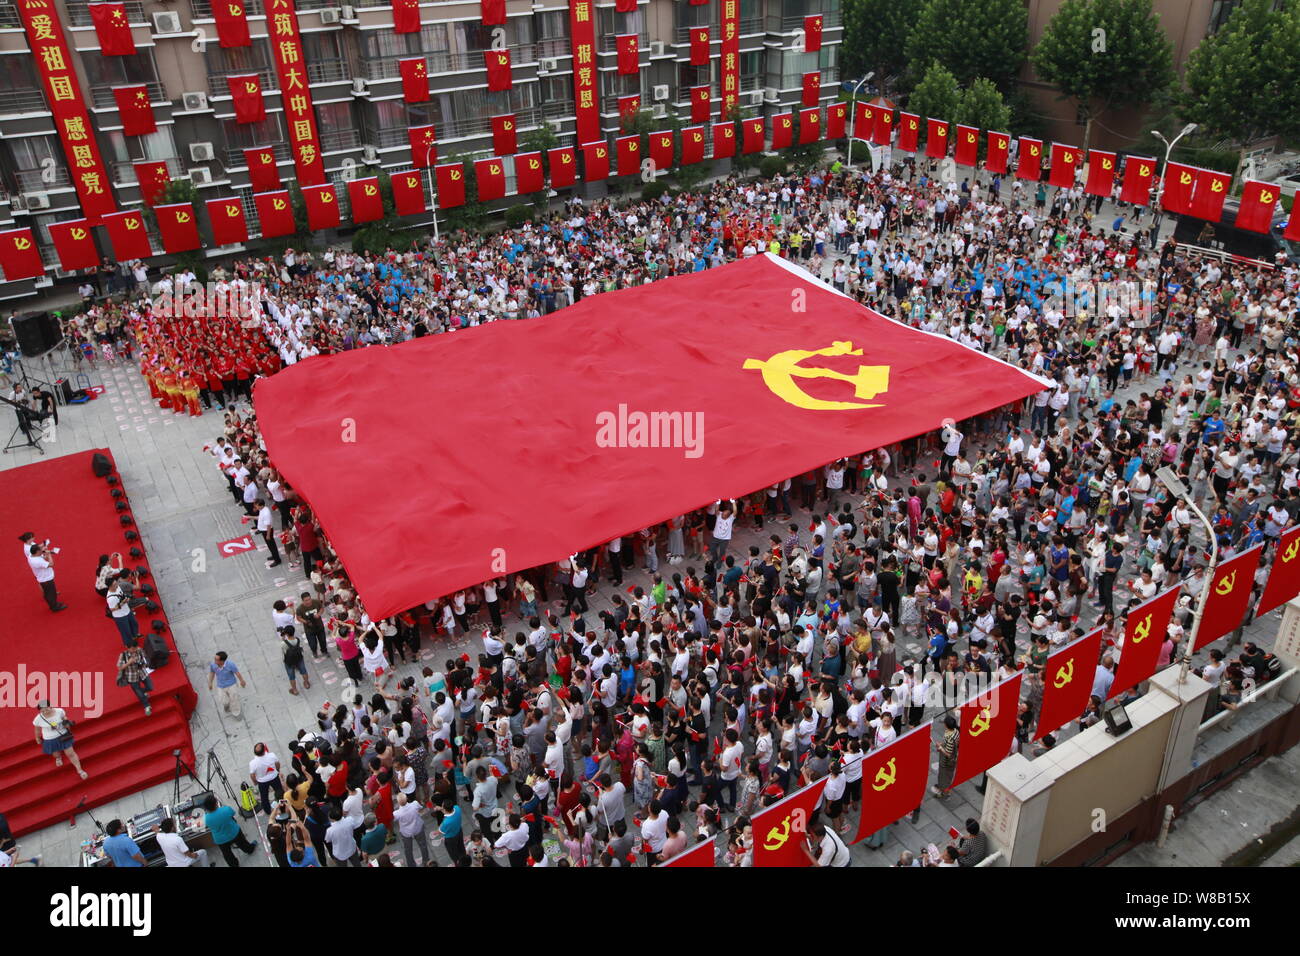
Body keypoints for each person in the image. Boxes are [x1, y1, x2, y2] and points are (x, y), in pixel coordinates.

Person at [32, 699, 87, 779]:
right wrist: (37, 738)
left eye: (47, 709)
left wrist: (65, 721)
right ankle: (58, 758)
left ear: (50, 706)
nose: (45, 712)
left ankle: (80, 770)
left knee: (71, 753)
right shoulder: (38, 719)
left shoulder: (59, 711)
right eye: (42, 711)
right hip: (50, 739)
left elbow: (64, 717)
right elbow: (37, 729)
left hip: (63, 735)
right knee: (56, 754)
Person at [203, 794, 259, 867]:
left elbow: (205, 826)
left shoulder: (205, 819)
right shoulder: (225, 809)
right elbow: (233, 813)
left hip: (220, 839)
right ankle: (249, 849)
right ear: (216, 804)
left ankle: (234, 864)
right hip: (234, 832)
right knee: (243, 843)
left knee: (227, 854)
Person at [115, 640, 153, 715]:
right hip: (132, 677)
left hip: (142, 673)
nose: (134, 650)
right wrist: (129, 663)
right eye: (132, 649)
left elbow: (144, 657)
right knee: (139, 694)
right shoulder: (123, 655)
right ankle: (147, 706)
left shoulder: (139, 650)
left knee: (150, 687)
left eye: (135, 648)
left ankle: (142, 692)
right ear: (127, 648)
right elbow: (119, 668)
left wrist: (144, 663)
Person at [27, 539, 66, 611]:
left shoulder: (31, 555)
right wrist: (49, 555)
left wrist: (44, 553)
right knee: (51, 594)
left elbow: (42, 557)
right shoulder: (37, 561)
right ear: (37, 552)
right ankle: (54, 607)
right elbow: (51, 564)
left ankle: (53, 603)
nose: (42, 550)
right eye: (40, 550)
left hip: (44, 579)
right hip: (46, 580)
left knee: (49, 593)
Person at [249, 743, 283, 816]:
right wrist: (277, 770)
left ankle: (268, 811)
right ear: (264, 750)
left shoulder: (253, 763)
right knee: (279, 792)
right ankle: (283, 805)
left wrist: (255, 782)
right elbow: (277, 764)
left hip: (262, 782)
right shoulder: (272, 755)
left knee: (264, 797)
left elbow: (252, 775)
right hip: (274, 777)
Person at [208, 650, 247, 716]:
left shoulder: (230, 664)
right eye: (214, 658)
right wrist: (210, 682)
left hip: (231, 684)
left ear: (222, 661)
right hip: (220, 685)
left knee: (234, 699)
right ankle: (227, 705)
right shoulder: (213, 665)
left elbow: (237, 673)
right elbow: (212, 673)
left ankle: (236, 712)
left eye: (216, 659)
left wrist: (242, 681)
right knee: (223, 700)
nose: (214, 661)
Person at [106, 572, 140, 645]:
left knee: (134, 624)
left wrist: (126, 598)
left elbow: (122, 595)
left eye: (116, 583)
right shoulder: (110, 598)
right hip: (120, 616)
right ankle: (129, 644)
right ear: (110, 587)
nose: (117, 585)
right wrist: (123, 602)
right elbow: (112, 609)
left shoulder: (117, 587)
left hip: (127, 611)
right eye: (115, 585)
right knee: (125, 631)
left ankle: (134, 636)